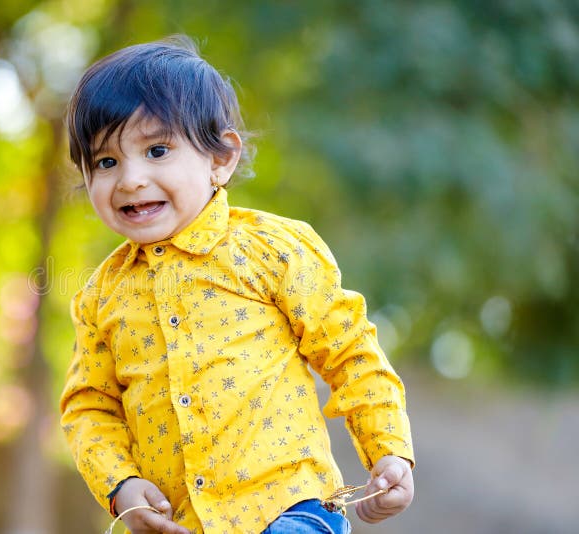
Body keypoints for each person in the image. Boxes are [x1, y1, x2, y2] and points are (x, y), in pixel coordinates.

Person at [59, 35, 415, 534]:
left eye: (157, 150)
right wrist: (120, 487)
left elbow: (350, 352)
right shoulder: (102, 296)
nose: (131, 179)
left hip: (289, 511)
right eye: (105, 162)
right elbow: (89, 405)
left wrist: (388, 448)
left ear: (220, 159)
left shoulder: (272, 249)